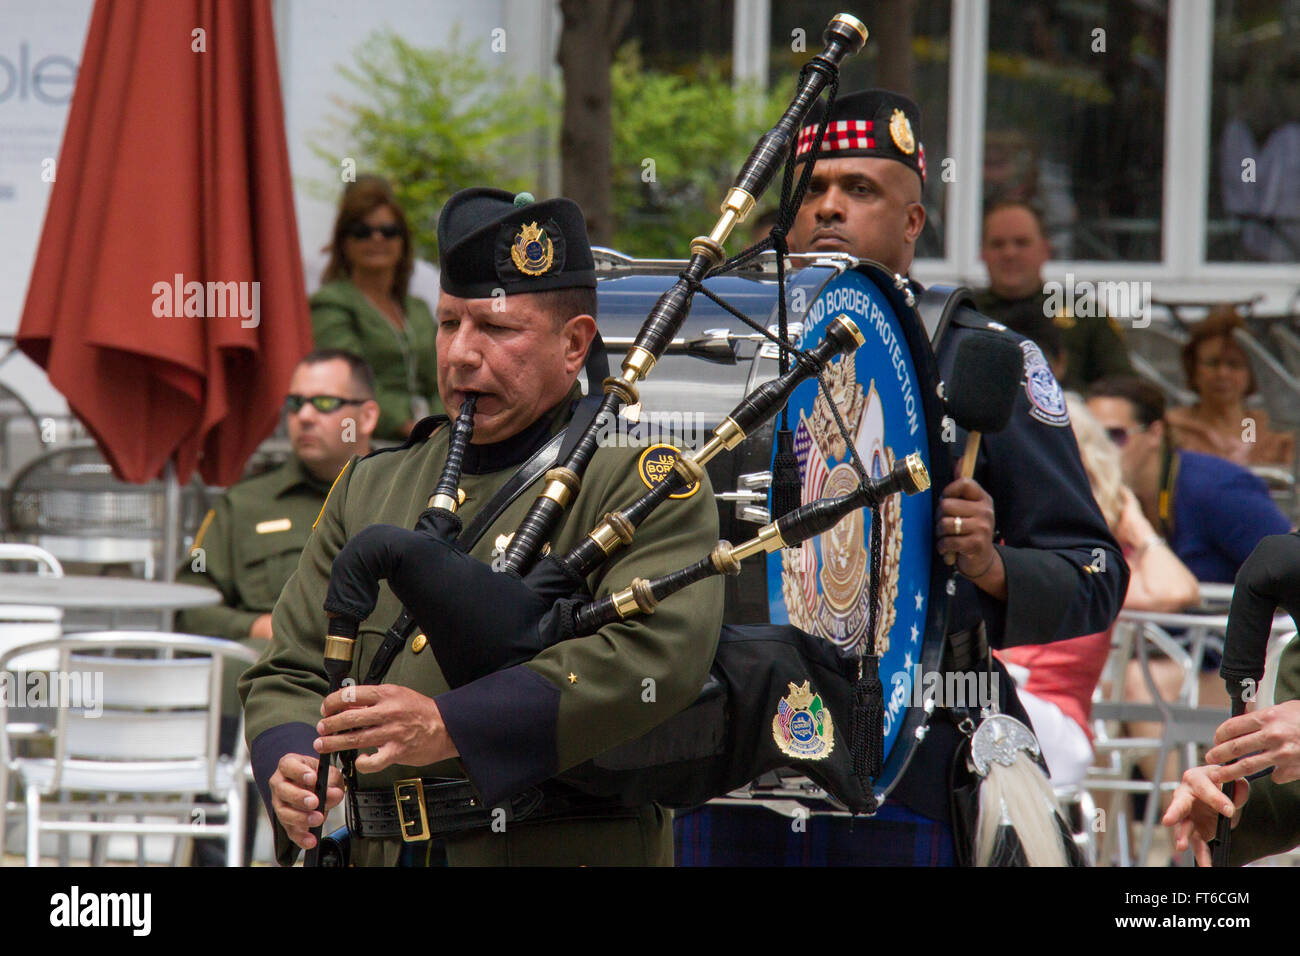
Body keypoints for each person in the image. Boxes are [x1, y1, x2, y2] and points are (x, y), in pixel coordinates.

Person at [673, 89, 1127, 865]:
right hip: (724, 750)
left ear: (912, 224)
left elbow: (1093, 569)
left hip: (906, 763)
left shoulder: (983, 357)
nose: (828, 208)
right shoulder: (720, 348)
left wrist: (990, 565)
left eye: (859, 190)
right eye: (812, 189)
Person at [240, 187, 724, 866]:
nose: (462, 353)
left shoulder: (643, 482)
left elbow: (653, 658)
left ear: (573, 341)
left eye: (495, 329)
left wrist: (449, 727)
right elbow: (289, 664)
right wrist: (288, 757)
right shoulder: (372, 484)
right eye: (447, 325)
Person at [995, 395, 1199, 789]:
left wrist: (1136, 524)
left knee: (964, 697)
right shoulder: (996, 536)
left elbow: (1177, 589)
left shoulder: (1100, 558)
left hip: (1050, 721)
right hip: (994, 699)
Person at [177, 349, 379, 718]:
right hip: (275, 691)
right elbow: (189, 607)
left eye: (324, 403)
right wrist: (256, 625)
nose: (304, 416)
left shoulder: (404, 494)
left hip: (379, 684)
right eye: (295, 403)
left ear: (366, 417)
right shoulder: (247, 504)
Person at [1085, 375, 1292, 585]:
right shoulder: (1093, 493)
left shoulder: (1218, 489)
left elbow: (1292, 568)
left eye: (1114, 436)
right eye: (1089, 439)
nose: (1098, 451)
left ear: (1155, 433)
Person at [311, 176, 443, 441]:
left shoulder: (417, 308)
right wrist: (409, 426)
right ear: (344, 243)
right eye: (362, 231)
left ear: (402, 241)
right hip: (371, 444)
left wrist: (441, 424)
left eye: (389, 230)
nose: (377, 238)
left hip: (434, 437)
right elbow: (349, 383)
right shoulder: (331, 303)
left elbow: (443, 378)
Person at [974, 199, 1134, 393]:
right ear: (982, 253)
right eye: (998, 244)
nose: (1009, 253)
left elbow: (1125, 390)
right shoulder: (964, 312)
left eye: (1022, 243)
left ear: (1045, 250)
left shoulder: (1085, 313)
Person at [1165, 306, 1294, 469]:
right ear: (1193, 369)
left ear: (1252, 372)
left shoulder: (1276, 432)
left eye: (1234, 365)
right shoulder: (1171, 429)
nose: (1222, 373)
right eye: (1212, 363)